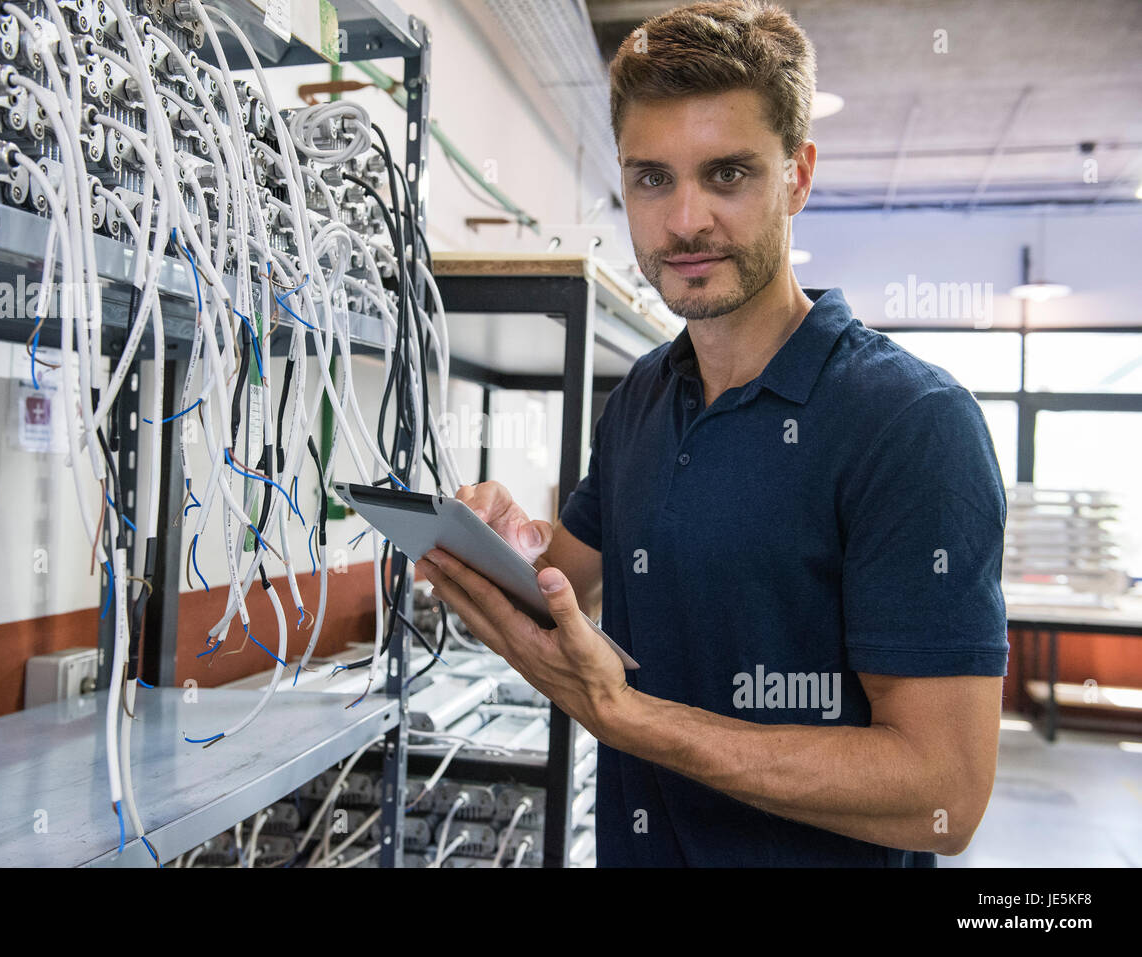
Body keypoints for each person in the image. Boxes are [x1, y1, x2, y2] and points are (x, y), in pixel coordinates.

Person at [415, 0, 1008, 867]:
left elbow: (946, 795)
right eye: (652, 178)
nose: (685, 221)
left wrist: (631, 717)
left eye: (727, 174)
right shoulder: (645, 398)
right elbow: (560, 579)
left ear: (798, 176)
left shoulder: (911, 424)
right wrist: (497, 543)